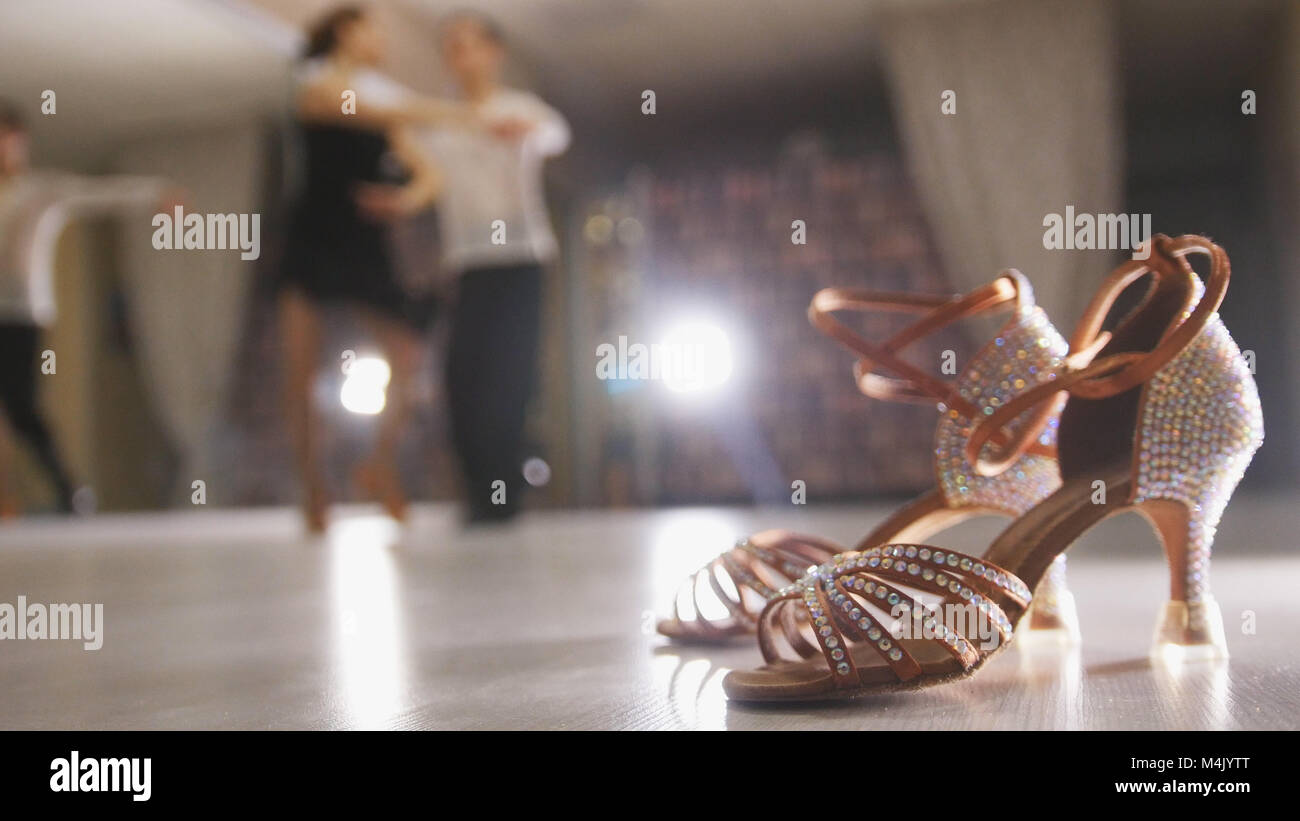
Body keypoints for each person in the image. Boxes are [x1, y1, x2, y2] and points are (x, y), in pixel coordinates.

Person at [280, 5, 471, 534]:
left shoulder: (386, 100)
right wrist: (463, 115)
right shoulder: (314, 82)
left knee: (406, 357)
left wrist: (404, 201)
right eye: (373, 27)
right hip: (314, 232)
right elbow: (344, 108)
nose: (382, 38)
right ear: (345, 33)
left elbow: (429, 176)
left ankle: (380, 463)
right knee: (300, 369)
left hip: (366, 239)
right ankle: (314, 486)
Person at [424, 10, 571, 523]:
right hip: (468, 263)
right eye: (451, 46)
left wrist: (523, 130)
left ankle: (504, 498)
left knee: (511, 377)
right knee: (461, 377)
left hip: (521, 259)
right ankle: (477, 493)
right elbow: (422, 173)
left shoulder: (519, 107)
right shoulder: (440, 121)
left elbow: (555, 135)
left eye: (468, 44)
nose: (459, 56)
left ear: (493, 53)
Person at [0, 100, 178, 518]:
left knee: (22, 409)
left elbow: (97, 193)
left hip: (22, 315)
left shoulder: (39, 191)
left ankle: (70, 494)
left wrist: (155, 193)